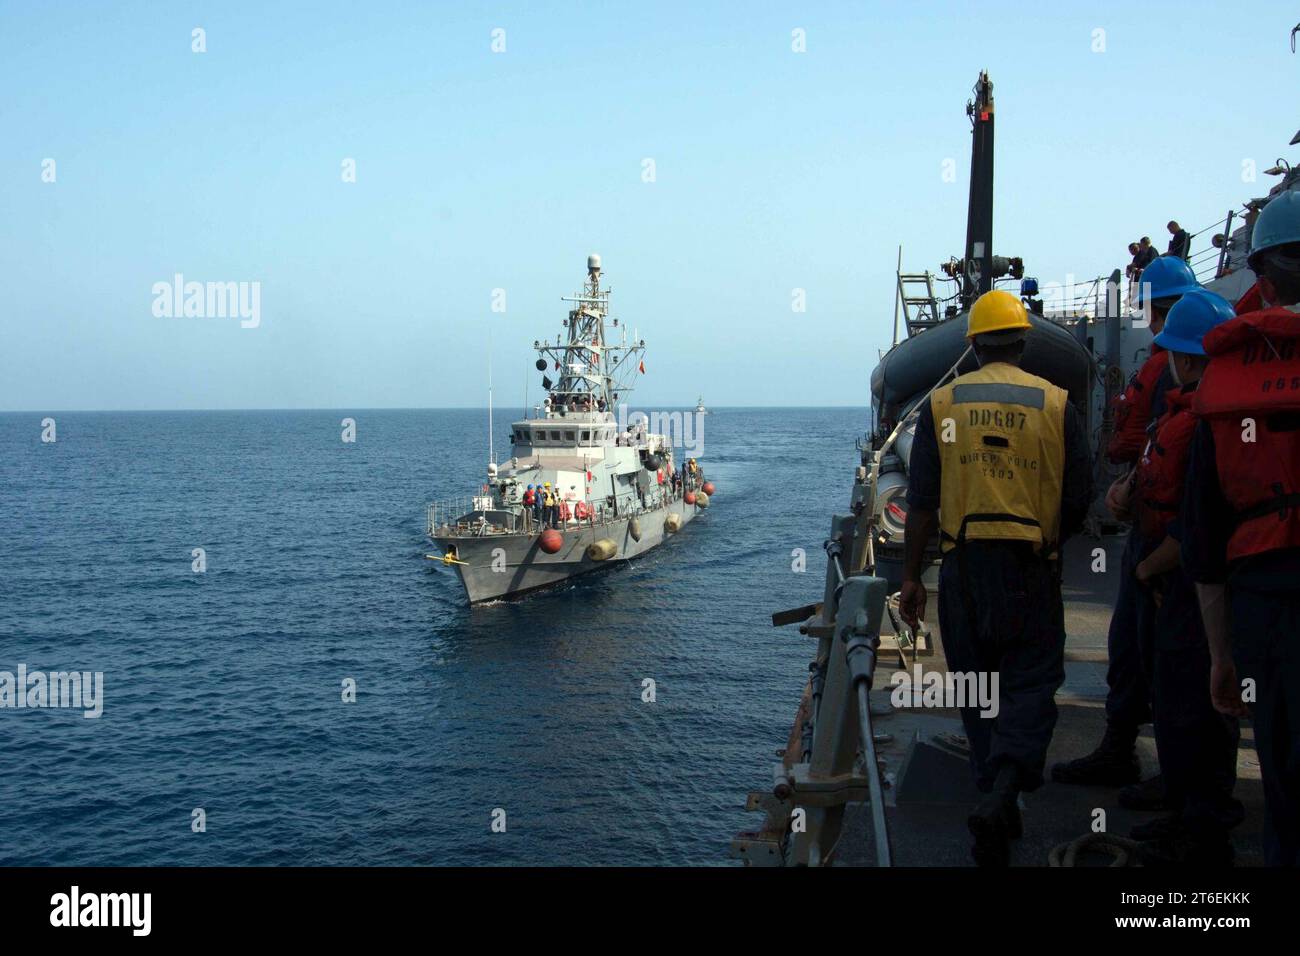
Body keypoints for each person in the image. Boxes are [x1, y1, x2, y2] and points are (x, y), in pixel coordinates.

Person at [899, 289, 1093, 866]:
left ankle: (991, 790)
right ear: (1024, 341)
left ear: (974, 345)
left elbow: (922, 502)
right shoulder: (1057, 404)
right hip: (1031, 564)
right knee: (1030, 683)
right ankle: (1007, 787)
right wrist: (1049, 546)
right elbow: (1078, 497)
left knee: (976, 684)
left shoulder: (941, 405)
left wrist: (911, 577)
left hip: (964, 568)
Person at [1052, 254, 1200, 801]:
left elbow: (1163, 446)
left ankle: (1173, 780)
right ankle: (1161, 768)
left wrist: (1125, 492)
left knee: (1158, 653)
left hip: (1162, 533)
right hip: (1173, 529)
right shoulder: (1181, 367)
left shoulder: (1169, 368)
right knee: (1150, 651)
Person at [1181, 190, 1300, 866]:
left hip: (1269, 605)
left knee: (1285, 784)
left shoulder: (1226, 386)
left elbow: (1204, 542)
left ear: (1264, 278)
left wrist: (1221, 656)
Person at [1124, 289, 1244, 865]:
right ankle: (1184, 804)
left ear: (1189, 358)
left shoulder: (1202, 424)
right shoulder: (1187, 413)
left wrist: (1150, 565)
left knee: (1199, 703)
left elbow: (1199, 523)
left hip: (1193, 583)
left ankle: (1204, 825)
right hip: (1180, 579)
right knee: (1176, 698)